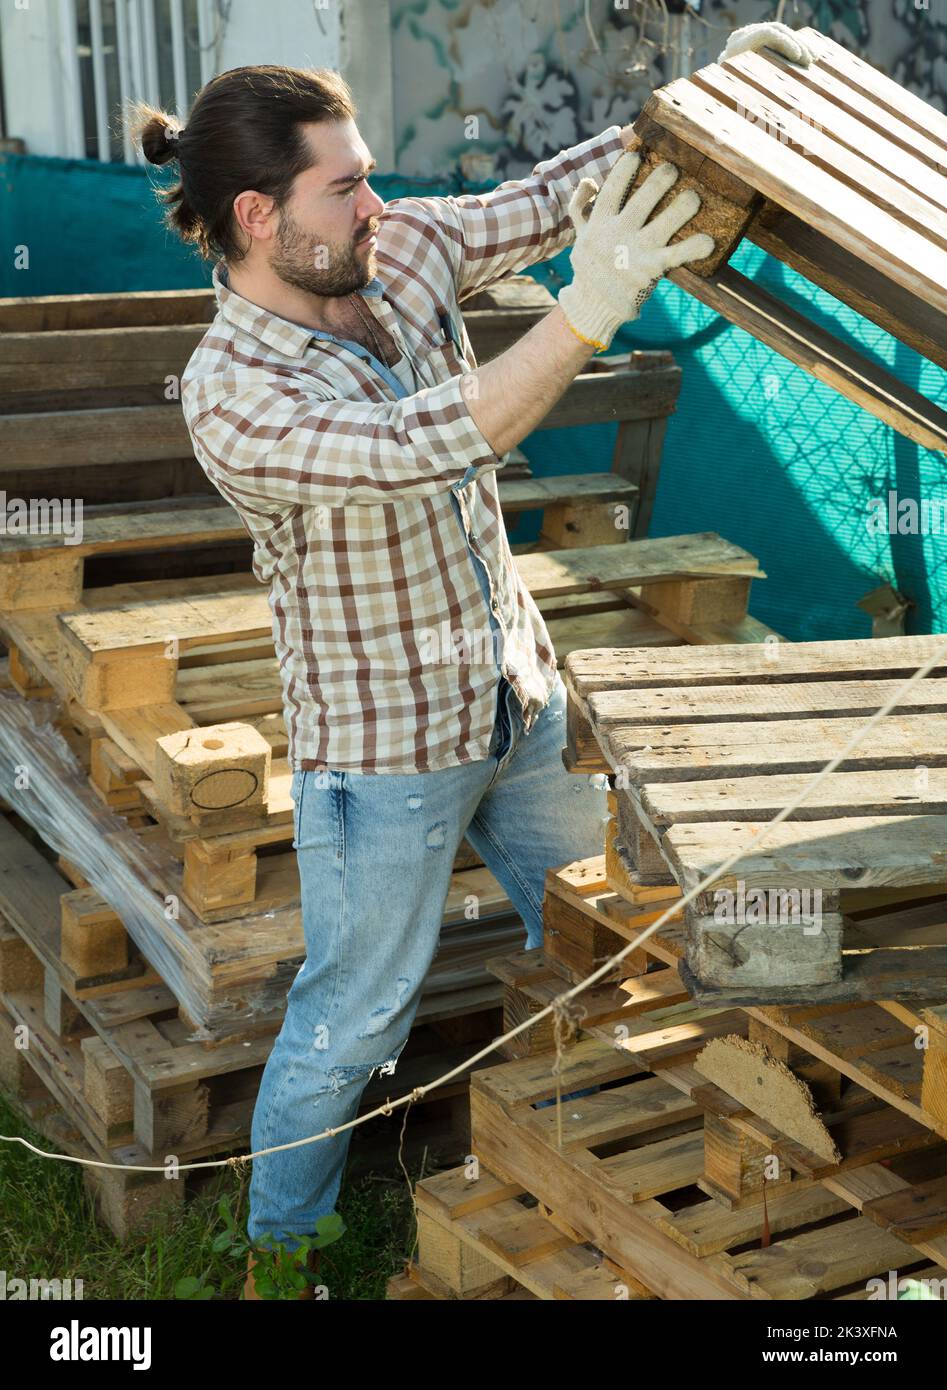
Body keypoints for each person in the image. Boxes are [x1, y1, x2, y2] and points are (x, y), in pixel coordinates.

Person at [130, 20, 812, 1300]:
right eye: (343, 184)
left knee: (612, 937)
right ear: (259, 218)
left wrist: (708, 98)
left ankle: (620, 1166)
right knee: (354, 1018)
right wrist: (590, 310)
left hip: (514, 694)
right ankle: (281, 1260)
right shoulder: (231, 394)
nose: (376, 202)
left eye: (369, 172)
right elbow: (419, 444)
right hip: (384, 753)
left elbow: (553, 197)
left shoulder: (398, 252)